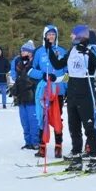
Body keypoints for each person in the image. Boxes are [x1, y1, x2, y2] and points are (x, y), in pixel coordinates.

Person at [47, 25, 96, 173]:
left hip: (86, 92)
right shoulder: (72, 50)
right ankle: (76, 157)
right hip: (73, 93)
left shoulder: (92, 49)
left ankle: (94, 156)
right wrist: (49, 49)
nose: (70, 37)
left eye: (73, 35)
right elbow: (58, 64)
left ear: (80, 36)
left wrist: (87, 52)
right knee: (73, 127)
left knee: (88, 128)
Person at [31, 25, 66, 159]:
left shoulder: (62, 51)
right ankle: (42, 147)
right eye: (49, 34)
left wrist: (66, 88)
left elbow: (67, 72)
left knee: (57, 118)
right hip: (44, 90)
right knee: (42, 118)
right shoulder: (39, 51)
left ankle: (58, 147)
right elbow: (31, 70)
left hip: (58, 90)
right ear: (45, 36)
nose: (51, 36)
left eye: (53, 34)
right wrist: (41, 75)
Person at [13, 41, 40, 149]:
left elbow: (36, 78)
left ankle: (35, 142)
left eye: (25, 51)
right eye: (22, 50)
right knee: (24, 120)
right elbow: (18, 77)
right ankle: (28, 141)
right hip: (21, 96)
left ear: (30, 53)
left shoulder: (34, 63)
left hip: (31, 96)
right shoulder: (19, 63)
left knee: (33, 120)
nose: (22, 52)